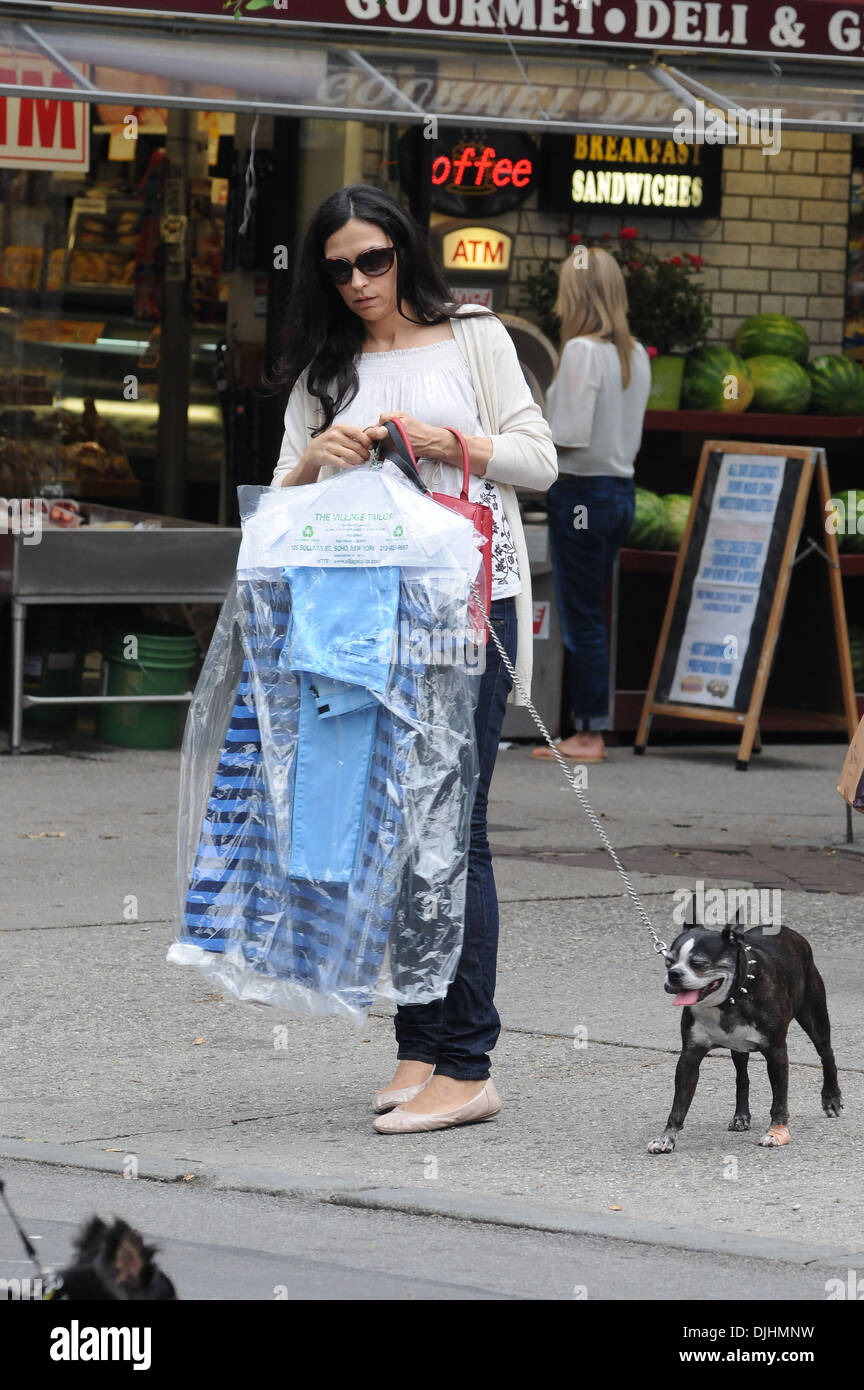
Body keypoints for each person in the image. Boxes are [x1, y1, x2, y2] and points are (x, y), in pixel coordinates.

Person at [271, 184, 556, 1133]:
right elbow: (280, 500)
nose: (358, 282)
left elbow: (540, 460)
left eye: (375, 261)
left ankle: (469, 1062)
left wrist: (449, 442)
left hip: (468, 601)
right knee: (395, 829)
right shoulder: (326, 369)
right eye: (339, 267)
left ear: (405, 254)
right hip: (363, 613)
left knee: (453, 827)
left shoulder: (475, 338)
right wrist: (320, 458)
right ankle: (423, 1042)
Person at [533, 246, 651, 766]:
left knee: (581, 617)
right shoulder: (636, 353)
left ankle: (587, 734)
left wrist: (525, 435)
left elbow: (570, 435)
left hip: (581, 492)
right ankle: (589, 725)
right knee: (593, 614)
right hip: (620, 492)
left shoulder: (581, 351)